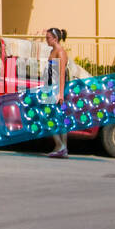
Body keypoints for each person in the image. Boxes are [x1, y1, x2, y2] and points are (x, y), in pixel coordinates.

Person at [44, 27, 70, 158]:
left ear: (55, 38)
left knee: (50, 118)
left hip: (56, 89)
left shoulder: (60, 52)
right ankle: (62, 147)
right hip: (52, 88)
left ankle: (60, 145)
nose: (46, 40)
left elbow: (61, 74)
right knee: (60, 119)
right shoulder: (54, 50)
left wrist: (60, 93)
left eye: (48, 38)